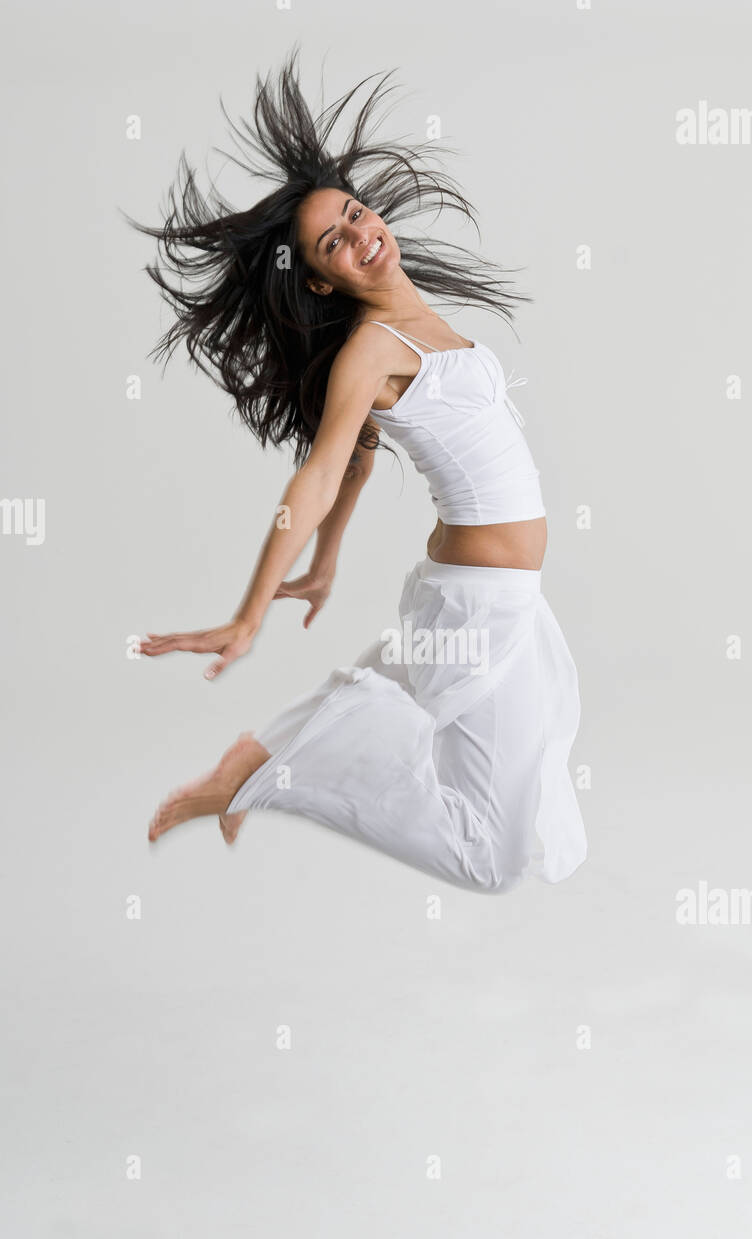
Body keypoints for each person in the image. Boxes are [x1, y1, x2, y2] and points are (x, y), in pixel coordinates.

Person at [128, 46, 587, 892]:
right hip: (475, 602)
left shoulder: (421, 323)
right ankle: (263, 770)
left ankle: (262, 758)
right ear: (321, 280)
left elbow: (363, 461)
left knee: (512, 818)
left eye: (355, 215)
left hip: (496, 599)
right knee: (483, 843)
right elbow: (318, 471)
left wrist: (330, 559)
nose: (359, 236)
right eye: (333, 244)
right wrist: (250, 612)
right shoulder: (373, 346)